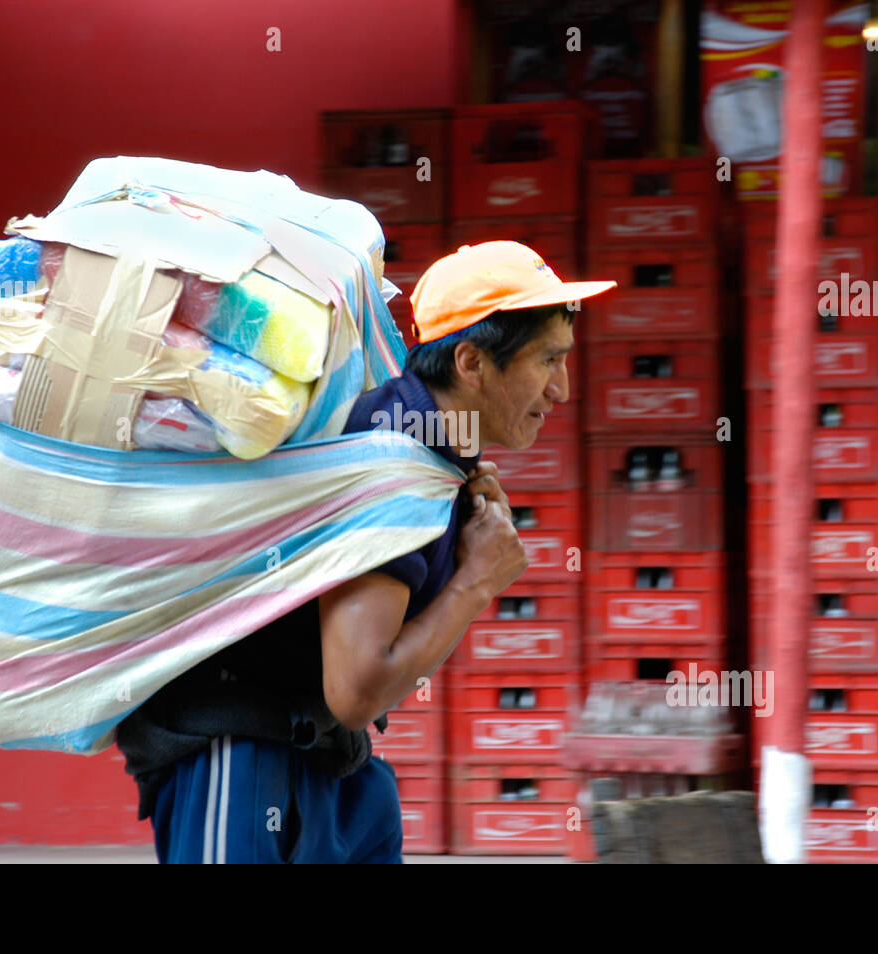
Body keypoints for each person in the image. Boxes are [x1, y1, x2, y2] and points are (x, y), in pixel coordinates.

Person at [114, 240, 617, 863]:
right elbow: (355, 687)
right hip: (240, 756)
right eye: (548, 360)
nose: (562, 389)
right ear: (472, 362)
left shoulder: (435, 459)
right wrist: (476, 583)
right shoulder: (393, 465)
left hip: (326, 760)